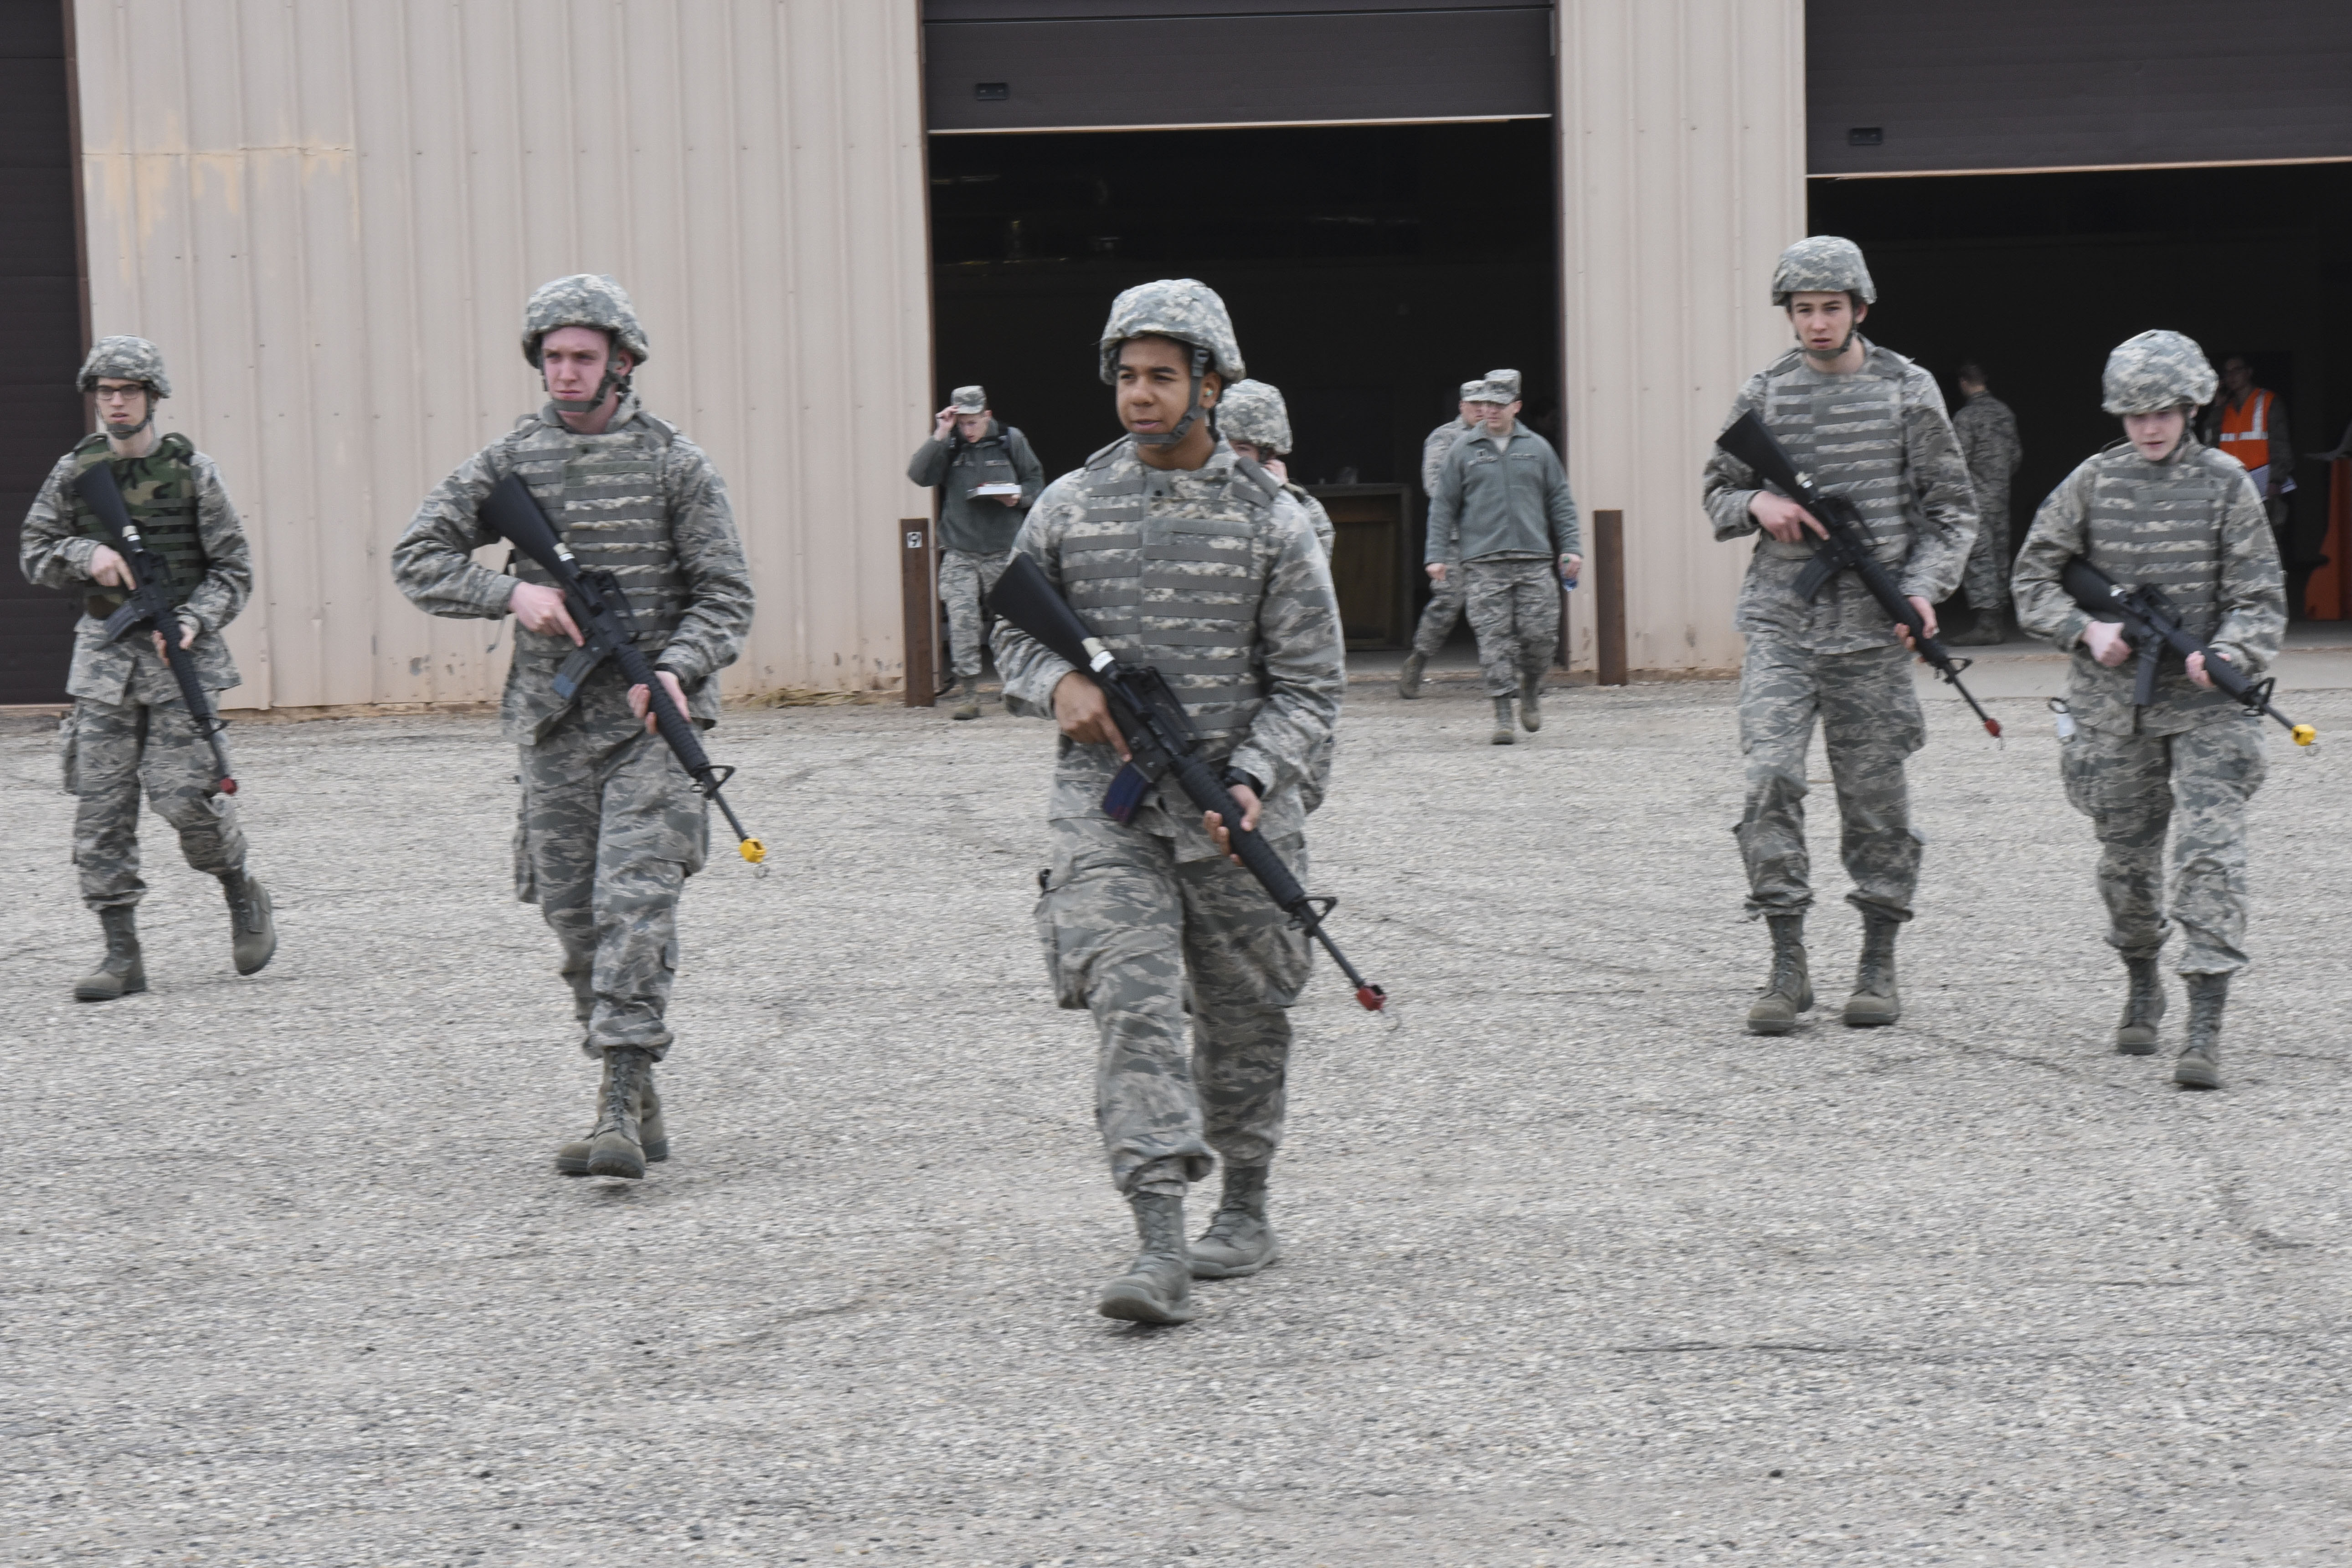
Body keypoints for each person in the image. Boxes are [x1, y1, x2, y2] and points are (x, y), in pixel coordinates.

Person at [994, 279, 1342, 1325]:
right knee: (1131, 1001)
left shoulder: (1272, 521)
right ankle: (1156, 1237)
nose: (1139, 397)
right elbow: (1010, 627)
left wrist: (1252, 774)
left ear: (1210, 385)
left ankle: (1243, 1202)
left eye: (1161, 377)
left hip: (1235, 811)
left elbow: (1311, 687)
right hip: (1107, 809)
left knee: (1244, 1019)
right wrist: (1056, 684)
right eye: (1127, 377)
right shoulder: (1068, 505)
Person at [391, 275, 754, 1178]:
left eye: (582, 357)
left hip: (650, 729)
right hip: (554, 729)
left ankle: (618, 1108)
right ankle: (640, 1093)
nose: (564, 372)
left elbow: (726, 598)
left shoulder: (676, 465)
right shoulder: (507, 466)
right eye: (552, 357)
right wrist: (512, 591)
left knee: (635, 907)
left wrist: (673, 667)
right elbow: (417, 556)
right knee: (576, 922)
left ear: (621, 363)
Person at [1700, 236, 1976, 1036]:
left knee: (1876, 804)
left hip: (1871, 637)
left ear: (1860, 308)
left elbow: (1952, 511)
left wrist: (1922, 590)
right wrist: (1759, 508)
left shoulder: (1907, 390)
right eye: (1803, 310)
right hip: (1783, 626)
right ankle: (1787, 961)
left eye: (1830, 308)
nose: (1816, 323)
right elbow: (1719, 487)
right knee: (1768, 782)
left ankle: (1877, 958)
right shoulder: (1768, 393)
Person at [2012, 331, 2285, 1090]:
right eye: (2133, 414)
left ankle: (2204, 1019)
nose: (2149, 427)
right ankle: (2141, 976)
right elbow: (2031, 578)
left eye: (2162, 411)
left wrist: (2226, 653)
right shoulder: (2092, 483)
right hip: (2114, 710)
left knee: (2208, 859)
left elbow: (2261, 597)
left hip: (2205, 710)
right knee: (2126, 865)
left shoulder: (2229, 484)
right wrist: (2084, 628)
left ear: (2190, 406)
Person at [18, 335, 277, 1001]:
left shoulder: (194, 473)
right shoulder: (74, 473)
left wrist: (193, 619)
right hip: (104, 661)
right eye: (105, 391)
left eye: (128, 390)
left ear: (152, 397)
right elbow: (34, 552)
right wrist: (86, 556)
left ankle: (240, 890)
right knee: (100, 812)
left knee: (186, 800)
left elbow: (233, 570)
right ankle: (121, 954)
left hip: (176, 657)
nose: (116, 402)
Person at [1426, 370, 1582, 745]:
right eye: (1485, 405)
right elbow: (1443, 505)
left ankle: (1529, 690)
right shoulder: (1462, 451)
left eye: (1498, 405)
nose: (1490, 411)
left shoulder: (1538, 449)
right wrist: (1435, 555)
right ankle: (1501, 713)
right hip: (1483, 562)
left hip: (1532, 558)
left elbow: (1560, 500)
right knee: (1493, 640)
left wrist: (1571, 546)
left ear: (1516, 406)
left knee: (1540, 636)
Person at [906, 386, 1044, 718]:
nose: (968, 430)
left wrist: (1019, 498)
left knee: (1013, 623)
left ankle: (1017, 688)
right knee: (963, 620)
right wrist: (940, 433)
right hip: (960, 550)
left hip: (1003, 549)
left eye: (974, 422)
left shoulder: (1011, 441)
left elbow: (1036, 481)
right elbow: (918, 475)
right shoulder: (951, 445)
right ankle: (970, 694)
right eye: (962, 423)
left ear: (987, 415)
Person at [1397, 379, 1489, 697]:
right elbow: (1435, 486)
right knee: (1447, 604)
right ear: (1461, 406)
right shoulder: (1444, 438)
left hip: (1494, 538)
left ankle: (1508, 674)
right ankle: (1418, 660)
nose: (1481, 409)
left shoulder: (1501, 439)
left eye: (1485, 403)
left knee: (1498, 606)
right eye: (1474, 403)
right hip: (1456, 540)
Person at [1943, 363, 2023, 646]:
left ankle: (1988, 625)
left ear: (1964, 383)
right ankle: (1997, 619)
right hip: (2001, 496)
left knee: (1980, 558)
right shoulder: (2005, 413)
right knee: (1999, 555)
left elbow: (1955, 461)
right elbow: (2015, 455)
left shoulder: (1966, 418)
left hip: (1975, 500)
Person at [1215, 378, 1335, 556]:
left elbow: (1316, 555)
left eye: (1242, 448)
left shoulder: (1285, 505)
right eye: (1225, 445)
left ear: (1268, 455)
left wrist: (1288, 493)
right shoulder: (1205, 486)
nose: (1230, 456)